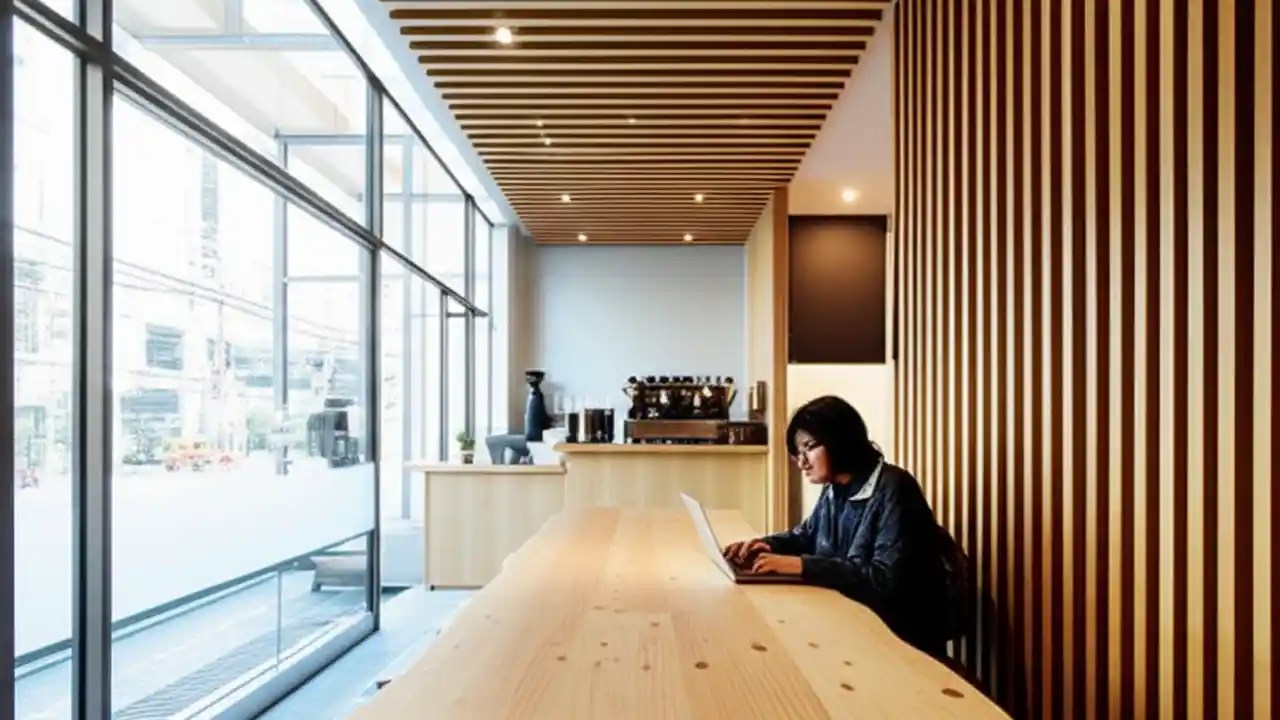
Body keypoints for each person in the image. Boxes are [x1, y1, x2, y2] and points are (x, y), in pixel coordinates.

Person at [722, 395, 948, 655]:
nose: (802, 462)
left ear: (840, 439)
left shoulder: (894, 487)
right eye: (798, 453)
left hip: (897, 639)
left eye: (809, 447)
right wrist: (768, 545)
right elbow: (807, 536)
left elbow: (885, 580)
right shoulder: (835, 488)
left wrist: (801, 565)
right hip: (851, 624)